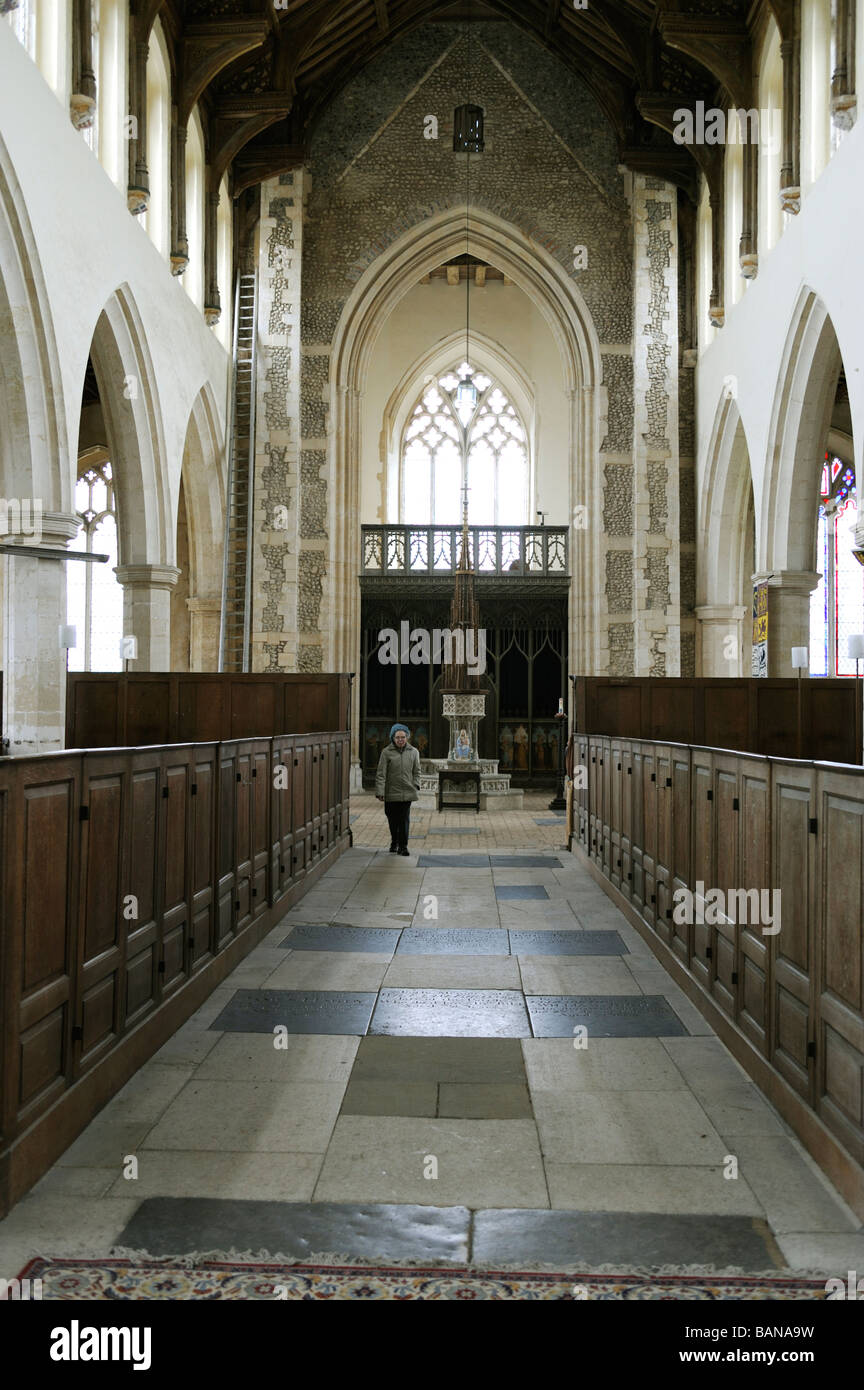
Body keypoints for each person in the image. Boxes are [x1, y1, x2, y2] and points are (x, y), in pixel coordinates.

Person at [375, 723, 421, 856]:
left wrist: (416, 784)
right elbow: (381, 774)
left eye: (403, 737)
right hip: (391, 792)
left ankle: (403, 846)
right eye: (397, 737)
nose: (400, 740)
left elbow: (417, 771)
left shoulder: (414, 752)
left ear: (407, 737)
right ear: (393, 738)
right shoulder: (386, 752)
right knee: (392, 819)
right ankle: (394, 841)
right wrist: (380, 791)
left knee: (404, 819)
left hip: (407, 792)